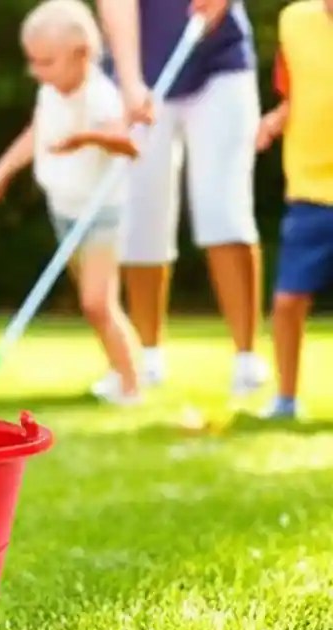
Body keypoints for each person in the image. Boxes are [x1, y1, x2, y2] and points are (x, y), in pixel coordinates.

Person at [95, 0, 269, 399]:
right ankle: (146, 358)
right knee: (141, 217)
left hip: (219, 65)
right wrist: (129, 80)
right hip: (141, 74)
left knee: (222, 210)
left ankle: (246, 359)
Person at [0, 0, 144, 406]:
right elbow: (36, 133)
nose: (37, 72)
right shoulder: (50, 92)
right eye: (32, 62)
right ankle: (117, 373)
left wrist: (87, 139)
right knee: (97, 306)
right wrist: (1, 172)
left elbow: (129, 145)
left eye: (47, 62)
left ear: (82, 55)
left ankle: (131, 385)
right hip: (64, 208)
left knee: (96, 302)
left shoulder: (101, 96)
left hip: (100, 211)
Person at [252, 0, 333, 420]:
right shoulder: (294, 21)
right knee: (287, 301)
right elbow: (294, 91)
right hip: (309, 188)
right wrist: (276, 119)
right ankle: (285, 399)